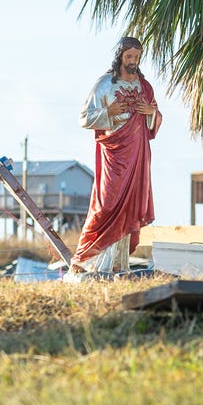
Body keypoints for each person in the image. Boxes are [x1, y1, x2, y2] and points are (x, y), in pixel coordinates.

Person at [69, 36, 162, 276]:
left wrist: (152, 112)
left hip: (137, 153)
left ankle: (118, 265)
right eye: (129, 56)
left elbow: (155, 119)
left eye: (137, 57)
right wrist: (107, 112)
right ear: (120, 56)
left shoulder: (145, 86)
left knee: (130, 206)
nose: (133, 61)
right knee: (106, 204)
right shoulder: (104, 84)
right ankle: (86, 261)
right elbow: (84, 118)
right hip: (114, 152)